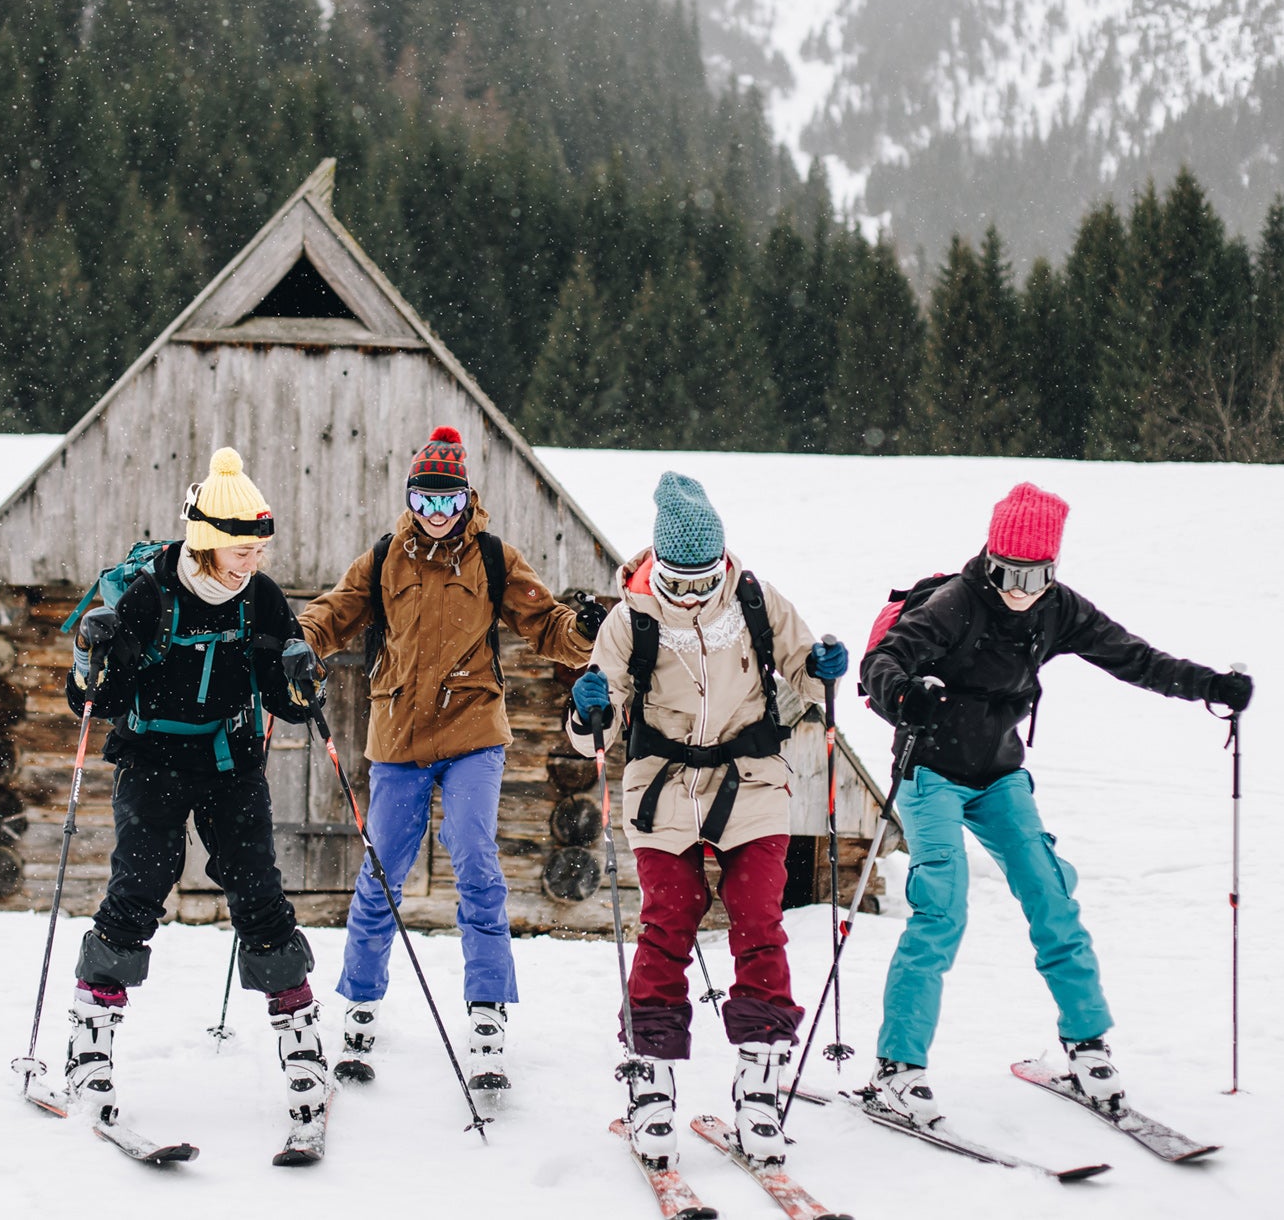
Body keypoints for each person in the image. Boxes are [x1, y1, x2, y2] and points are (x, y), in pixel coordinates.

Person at [858, 481, 1254, 1125]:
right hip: (931, 773)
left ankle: (1087, 1045)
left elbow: (1134, 658)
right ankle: (898, 1068)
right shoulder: (956, 605)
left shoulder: (1057, 609)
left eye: (1035, 574)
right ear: (989, 560)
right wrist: (906, 696)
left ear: (1053, 568)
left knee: (1051, 896)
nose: (1019, 588)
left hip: (1000, 776)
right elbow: (882, 662)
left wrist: (1209, 685)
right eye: (1007, 572)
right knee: (941, 907)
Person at [297, 425, 603, 1089]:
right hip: (399, 737)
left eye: (448, 502)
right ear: (410, 500)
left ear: (466, 500)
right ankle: (360, 1000)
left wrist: (583, 632)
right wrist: (298, 641)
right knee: (382, 871)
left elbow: (545, 623)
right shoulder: (384, 559)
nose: (437, 515)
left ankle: (488, 1004)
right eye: (424, 501)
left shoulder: (494, 557)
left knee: (475, 860)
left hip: (471, 733)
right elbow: (336, 611)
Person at [566, 472, 847, 1169]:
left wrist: (825, 666)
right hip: (662, 793)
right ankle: (651, 1083)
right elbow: (590, 738)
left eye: (703, 580)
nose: (692, 594)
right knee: (671, 917)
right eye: (678, 581)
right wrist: (589, 709)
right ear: (657, 566)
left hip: (751, 784)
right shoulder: (629, 620)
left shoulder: (753, 598)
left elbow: (807, 671)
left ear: (723, 562)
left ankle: (759, 1084)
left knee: (759, 917)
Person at [63, 447, 329, 1142]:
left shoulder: (263, 601)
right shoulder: (149, 595)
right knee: (142, 882)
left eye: (260, 548)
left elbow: (289, 704)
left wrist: (302, 677)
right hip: (151, 754)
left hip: (226, 755)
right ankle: (89, 1039)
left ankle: (302, 1043)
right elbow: (95, 701)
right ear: (208, 545)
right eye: (242, 550)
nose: (254, 562)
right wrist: (92, 657)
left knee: (257, 888)